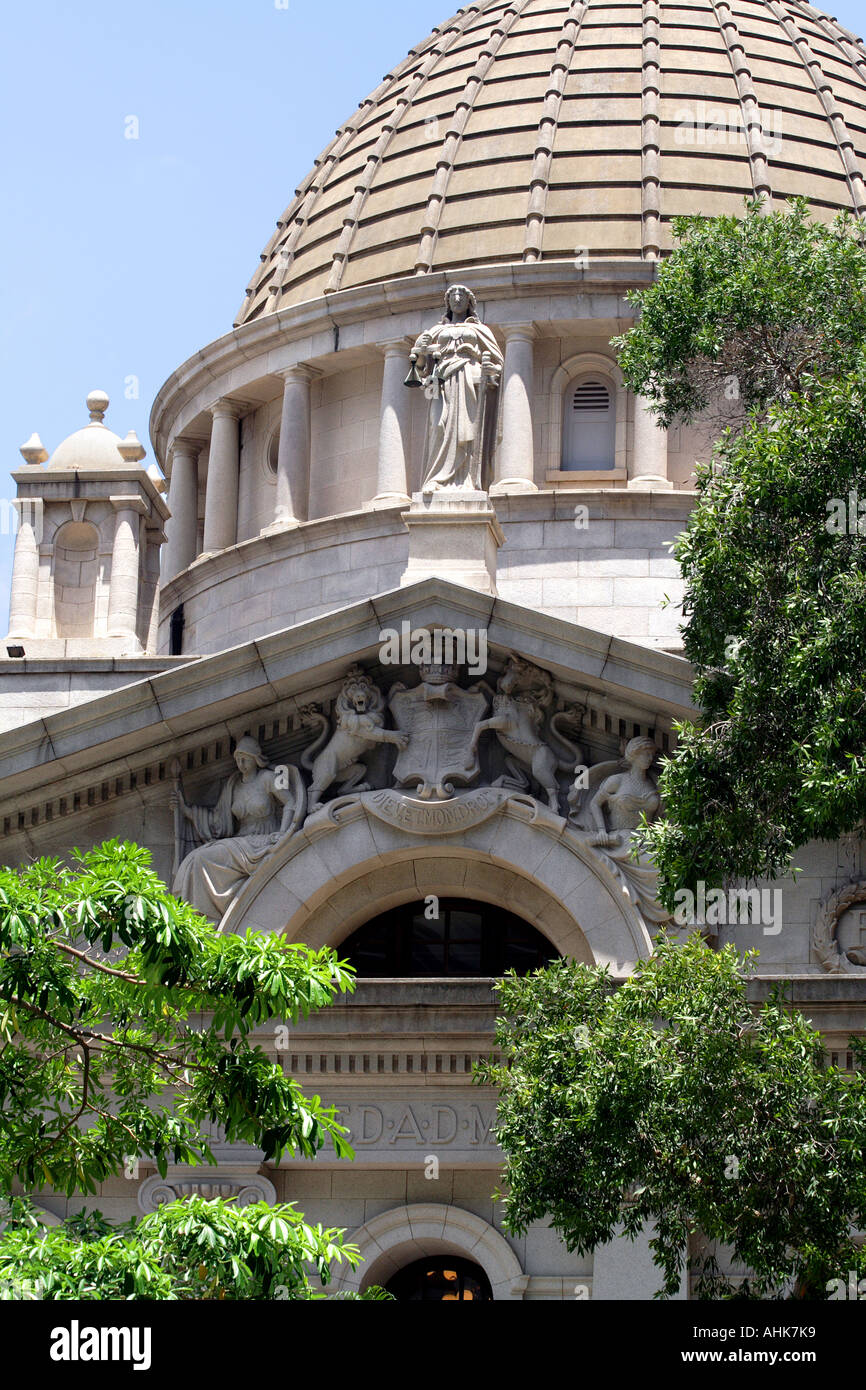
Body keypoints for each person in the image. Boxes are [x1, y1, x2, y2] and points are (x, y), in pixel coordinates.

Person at [170, 736, 305, 922]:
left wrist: (282, 834)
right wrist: (186, 810)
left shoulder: (268, 778)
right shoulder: (233, 785)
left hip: (265, 840)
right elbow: (217, 820)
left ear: (256, 758)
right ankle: (201, 916)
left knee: (201, 858)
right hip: (242, 841)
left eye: (245, 758)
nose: (241, 764)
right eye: (238, 759)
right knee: (196, 858)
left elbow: (290, 801)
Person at [409, 284, 503, 490]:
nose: (457, 299)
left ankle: (466, 479)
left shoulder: (479, 330)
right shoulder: (436, 331)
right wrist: (421, 349)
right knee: (438, 425)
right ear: (448, 302)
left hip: (468, 377)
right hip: (440, 381)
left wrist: (489, 368)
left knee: (467, 426)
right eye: (453, 296)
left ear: (469, 302)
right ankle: (436, 478)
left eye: (461, 295)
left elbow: (497, 362)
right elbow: (420, 368)